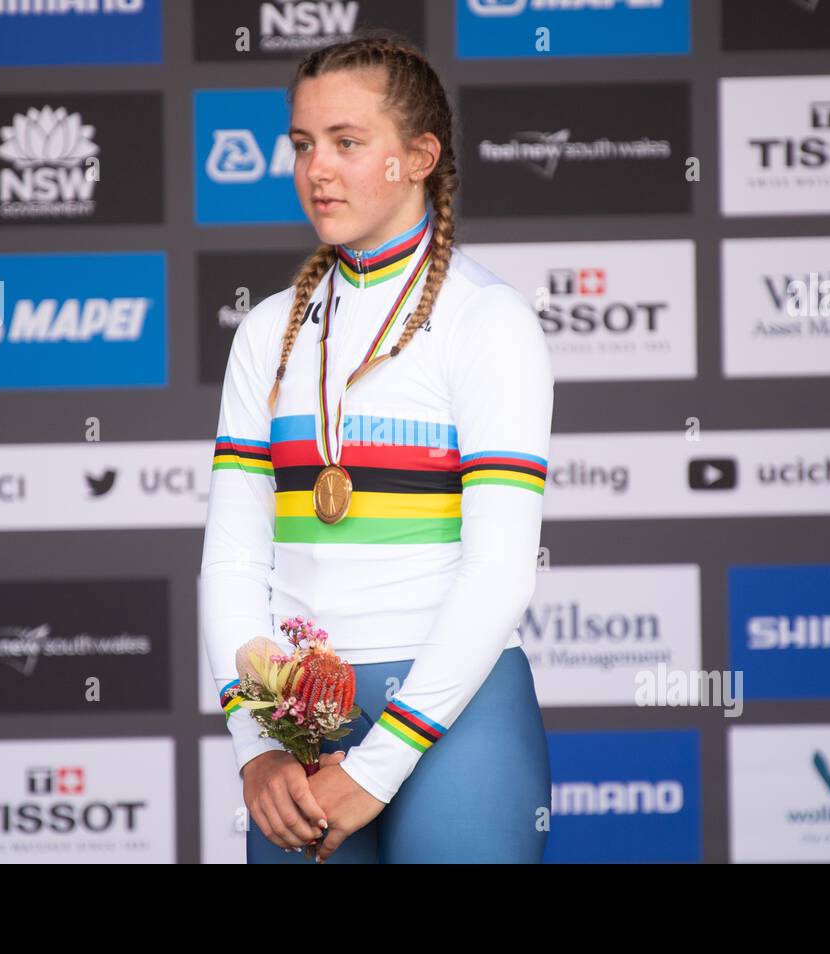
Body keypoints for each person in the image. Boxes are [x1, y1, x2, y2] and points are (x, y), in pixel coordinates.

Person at [198, 33, 554, 863]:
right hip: (299, 719)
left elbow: (500, 571)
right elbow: (234, 561)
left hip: (457, 711)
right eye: (302, 144)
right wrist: (256, 746)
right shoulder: (265, 331)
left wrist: (380, 763)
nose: (316, 169)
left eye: (348, 143)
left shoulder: (486, 320)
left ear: (420, 156)